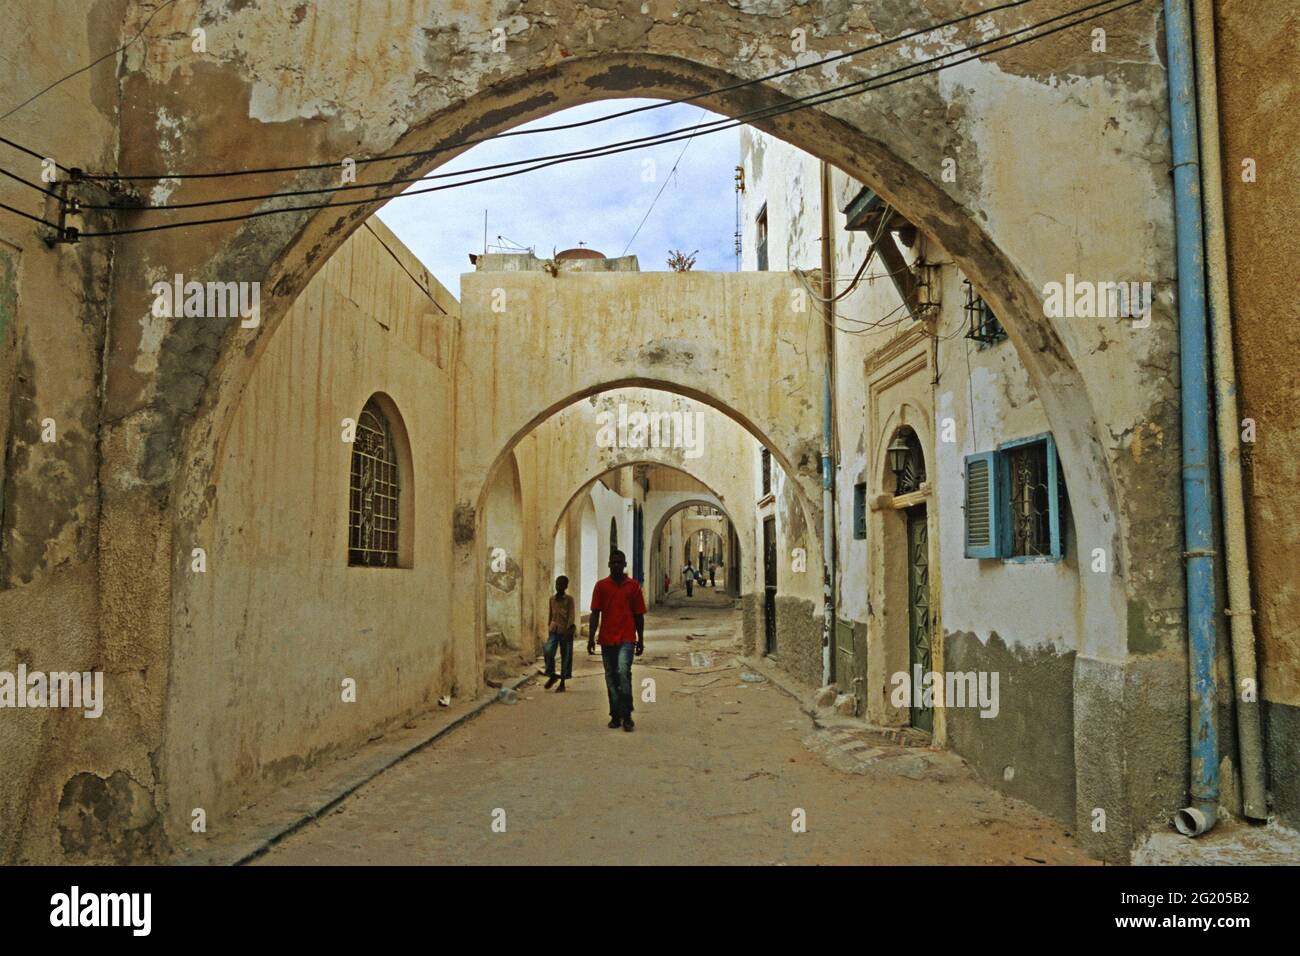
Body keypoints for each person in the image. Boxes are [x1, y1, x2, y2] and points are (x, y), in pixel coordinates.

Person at [587, 550, 645, 732]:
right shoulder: (601, 586)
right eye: (613, 562)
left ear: (625, 564)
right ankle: (615, 714)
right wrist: (590, 637)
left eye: (620, 562)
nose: (616, 565)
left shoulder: (633, 587)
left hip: (627, 637)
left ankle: (627, 714)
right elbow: (595, 613)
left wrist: (641, 639)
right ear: (609, 564)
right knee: (611, 676)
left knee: (623, 672)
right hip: (606, 638)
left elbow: (639, 615)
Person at [543, 575, 576, 692]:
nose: (559, 587)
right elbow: (550, 614)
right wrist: (549, 626)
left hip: (566, 631)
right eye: (557, 584)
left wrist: (569, 628)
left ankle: (562, 681)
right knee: (548, 650)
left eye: (561, 585)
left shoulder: (569, 599)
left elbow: (571, 615)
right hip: (554, 630)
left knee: (565, 656)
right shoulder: (552, 599)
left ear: (566, 586)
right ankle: (552, 674)